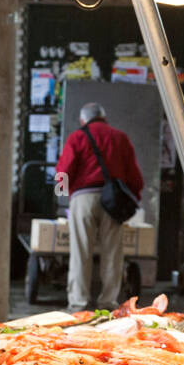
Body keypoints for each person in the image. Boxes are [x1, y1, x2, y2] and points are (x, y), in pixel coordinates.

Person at [55, 102, 144, 311]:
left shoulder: (77, 137)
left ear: (83, 120)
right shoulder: (120, 138)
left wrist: (66, 196)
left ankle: (78, 304)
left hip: (83, 198)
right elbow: (135, 177)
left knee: (80, 252)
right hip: (112, 200)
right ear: (104, 118)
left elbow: (63, 171)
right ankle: (108, 303)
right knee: (113, 253)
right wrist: (131, 199)